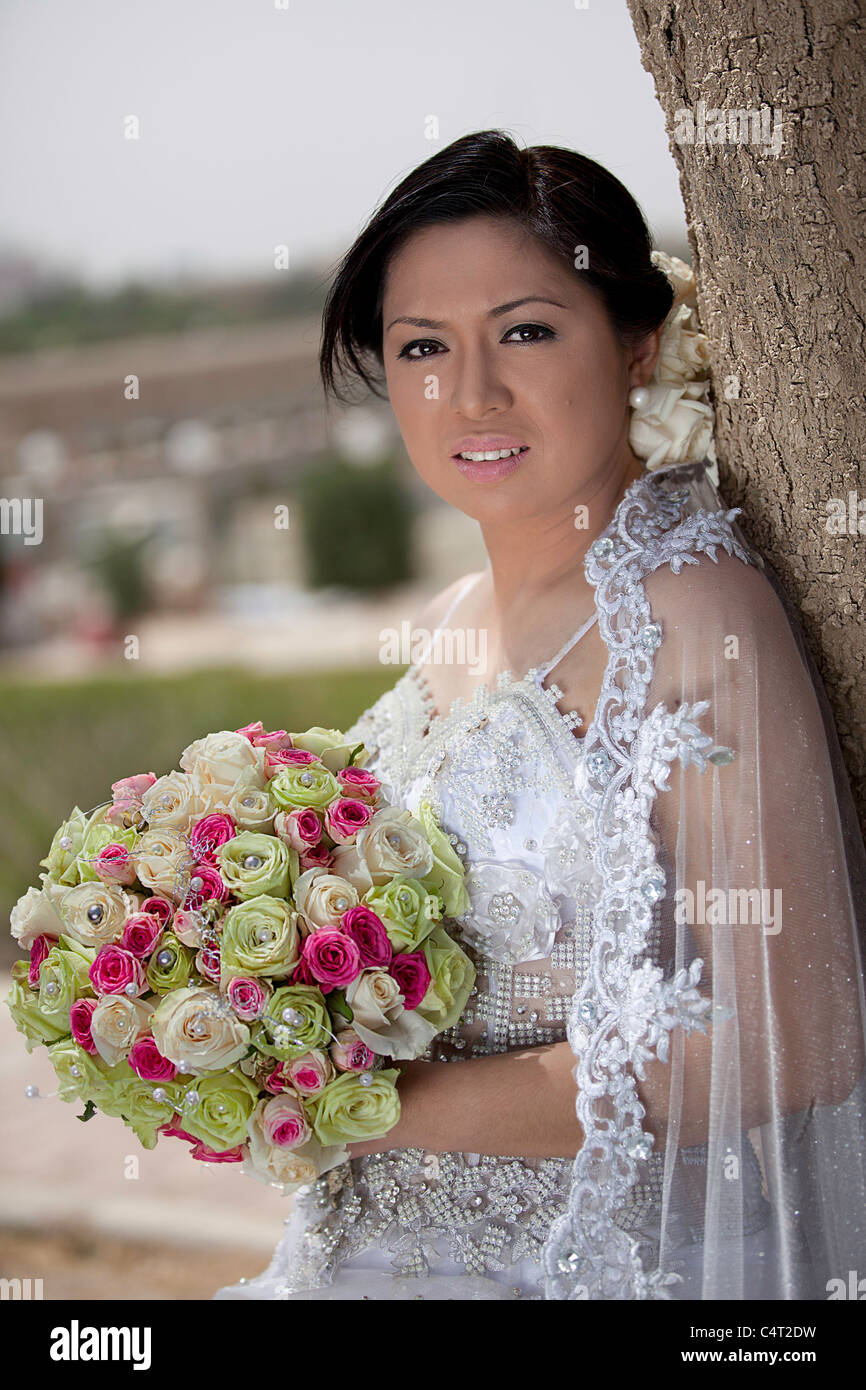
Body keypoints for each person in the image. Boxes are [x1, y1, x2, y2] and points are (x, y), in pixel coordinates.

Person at [214, 129, 866, 1301]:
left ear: (635, 342)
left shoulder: (693, 610)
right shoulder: (455, 609)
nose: (470, 392)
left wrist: (367, 1109)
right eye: (422, 347)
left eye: (523, 330)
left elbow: (797, 1035)